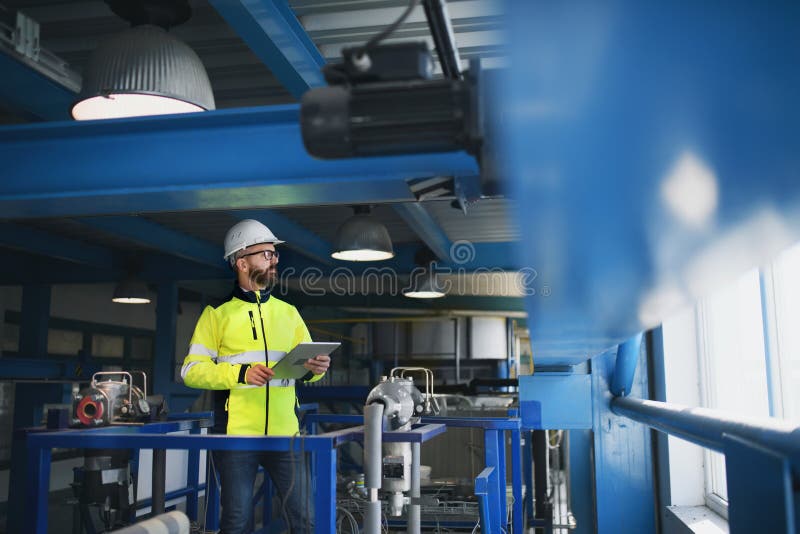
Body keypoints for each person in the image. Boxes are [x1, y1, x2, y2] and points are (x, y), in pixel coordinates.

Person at [181, 219, 330, 534]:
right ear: (241, 262)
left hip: (286, 434)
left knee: (305, 520)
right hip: (236, 437)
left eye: (275, 255)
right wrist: (241, 373)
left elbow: (304, 370)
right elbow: (191, 371)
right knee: (236, 523)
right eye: (266, 254)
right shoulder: (216, 314)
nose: (274, 261)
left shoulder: (289, 313)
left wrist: (315, 370)